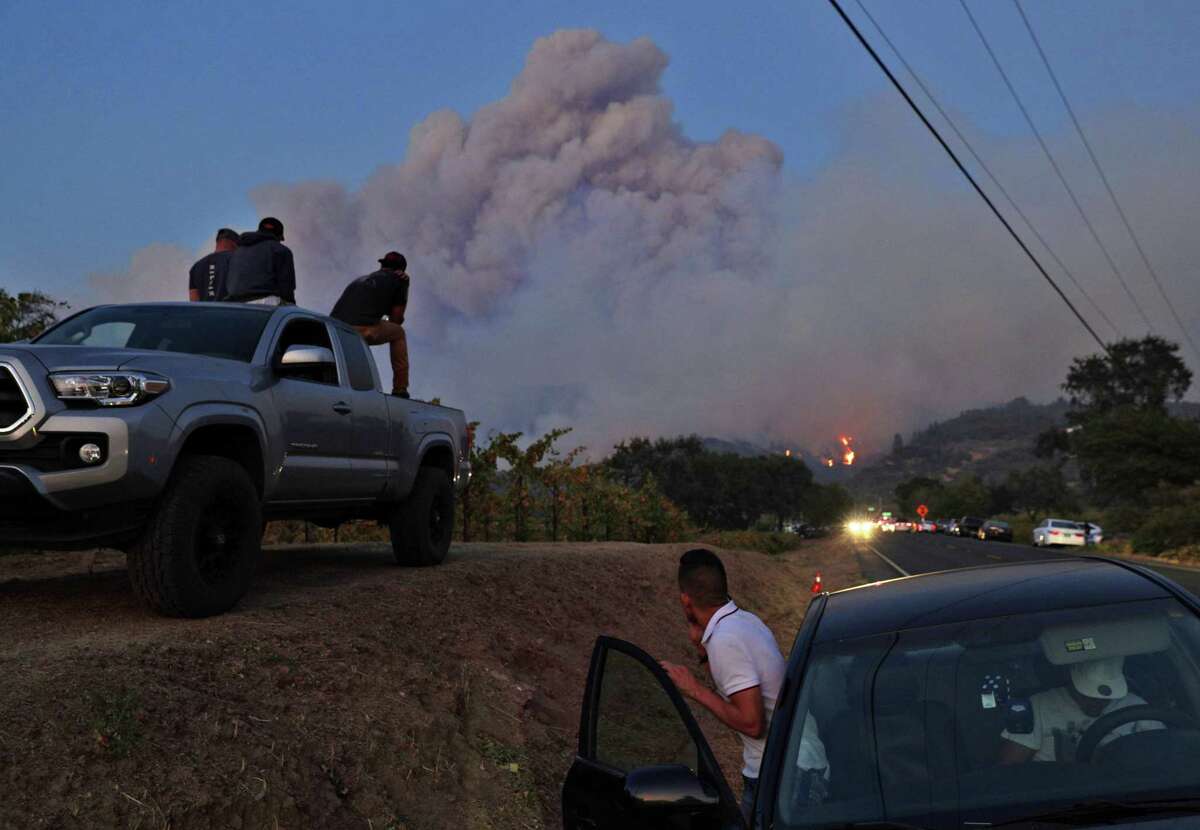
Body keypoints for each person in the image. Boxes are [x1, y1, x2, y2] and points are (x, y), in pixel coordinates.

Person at [661, 548, 825, 822]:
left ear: (685, 600)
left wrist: (693, 689)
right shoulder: (745, 621)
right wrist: (704, 652)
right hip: (797, 766)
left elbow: (752, 724)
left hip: (787, 777)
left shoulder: (726, 639)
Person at [999, 656, 1162, 763]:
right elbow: (1009, 772)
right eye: (1088, 695)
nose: (1098, 702)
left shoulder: (1138, 708)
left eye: (1105, 698)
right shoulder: (1037, 706)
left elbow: (1162, 759)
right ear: (1072, 681)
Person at [330, 251, 411, 398]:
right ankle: (400, 389)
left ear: (382, 265)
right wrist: (405, 286)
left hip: (334, 330)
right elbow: (396, 319)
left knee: (372, 323)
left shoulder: (362, 279)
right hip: (359, 330)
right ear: (401, 270)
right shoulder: (399, 280)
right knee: (399, 332)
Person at [224, 217, 296, 305]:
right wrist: (292, 305)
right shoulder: (280, 250)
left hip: (236, 305)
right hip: (266, 303)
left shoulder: (236, 252)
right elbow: (286, 288)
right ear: (278, 236)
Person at [188, 228, 239, 301]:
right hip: (230, 311)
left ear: (218, 242)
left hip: (206, 312)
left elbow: (194, 301)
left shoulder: (196, 267)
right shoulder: (236, 259)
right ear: (234, 244)